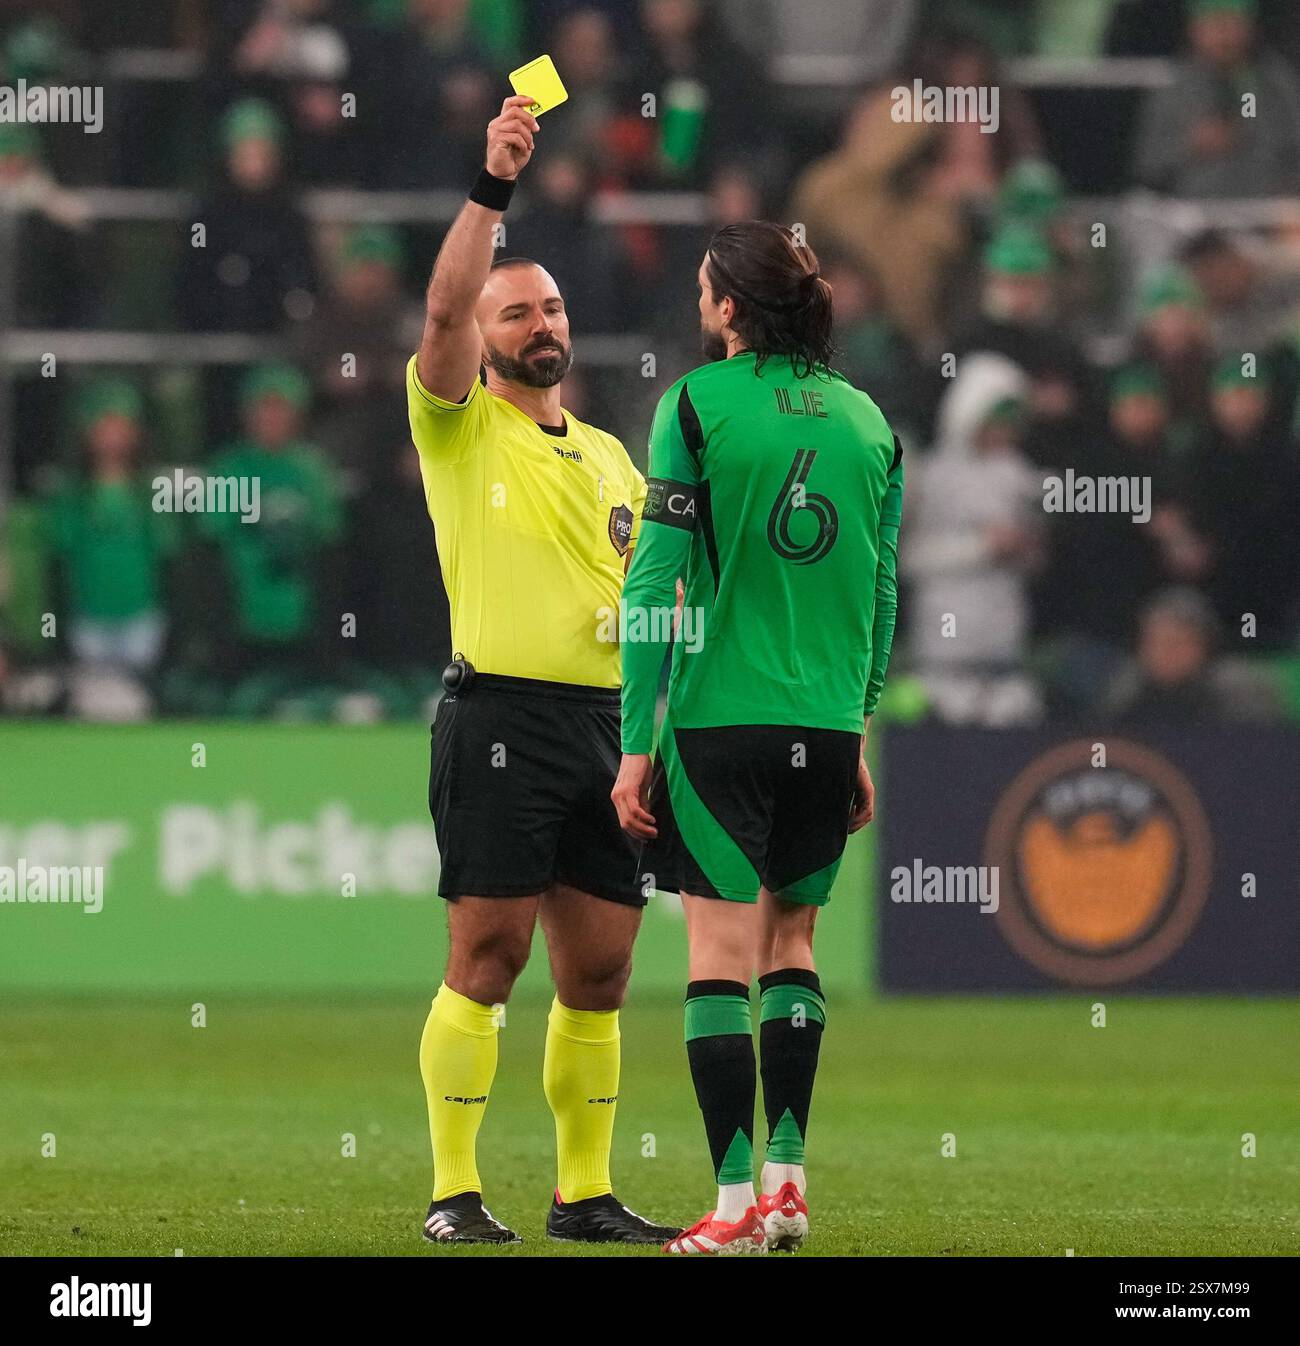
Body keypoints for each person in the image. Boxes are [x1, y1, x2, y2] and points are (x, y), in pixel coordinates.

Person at [411, 94, 675, 1247]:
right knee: (488, 954)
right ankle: (453, 1191)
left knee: (603, 971)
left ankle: (582, 1193)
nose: (540, 322)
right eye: (515, 309)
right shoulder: (460, 425)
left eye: (552, 305)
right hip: (500, 716)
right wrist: (494, 184)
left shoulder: (615, 454)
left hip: (607, 725)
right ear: (483, 332)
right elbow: (437, 301)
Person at [612, 221, 903, 1253]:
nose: (699, 302)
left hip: (717, 719)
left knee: (716, 960)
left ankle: (731, 1204)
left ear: (730, 306)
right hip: (823, 728)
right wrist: (857, 725)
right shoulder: (869, 422)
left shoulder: (692, 404)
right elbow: (878, 588)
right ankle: (787, 1184)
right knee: (794, 946)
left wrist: (635, 738)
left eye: (704, 288)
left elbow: (651, 580)